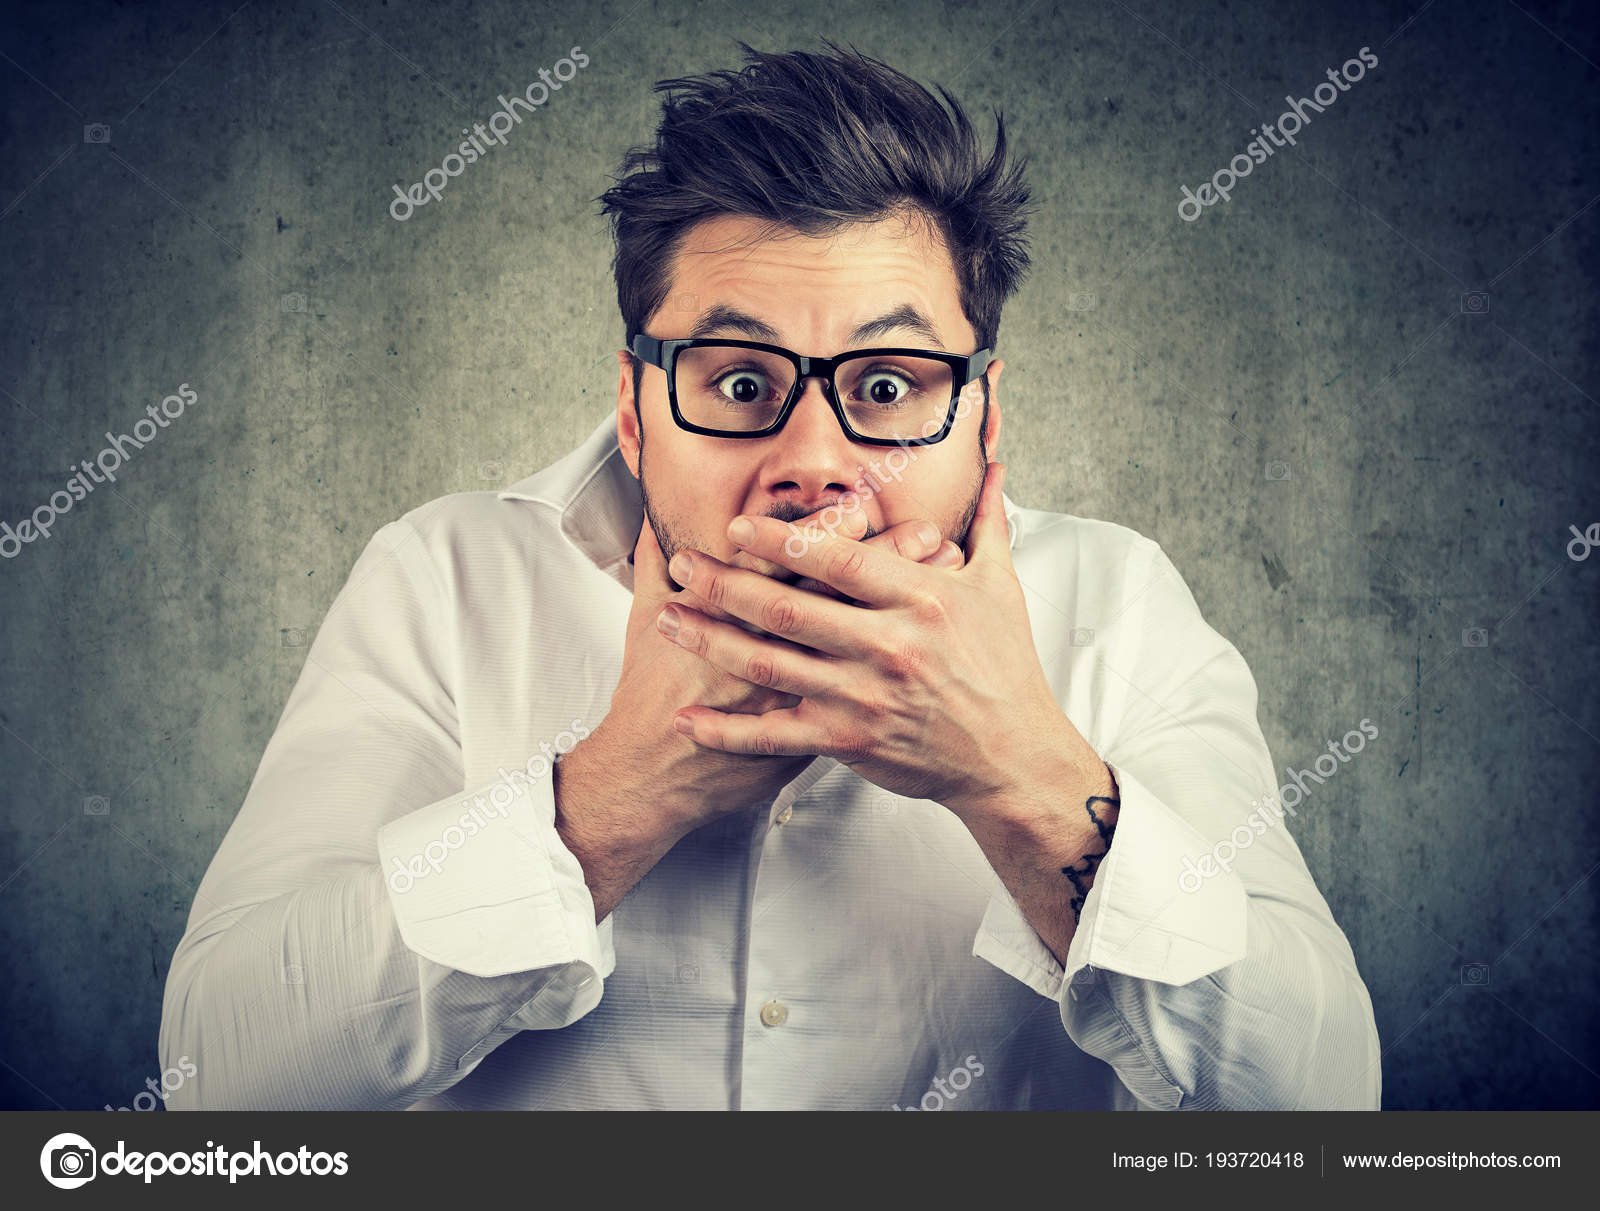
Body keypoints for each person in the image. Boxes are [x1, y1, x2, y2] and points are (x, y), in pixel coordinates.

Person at [159, 41, 1379, 1110]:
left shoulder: (1118, 603)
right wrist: (609, 797)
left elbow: (1325, 1104)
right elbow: (215, 1081)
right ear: (636, 413)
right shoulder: (446, 580)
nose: (811, 464)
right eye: (739, 381)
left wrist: (1023, 775)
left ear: (984, 414)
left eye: (889, 385)